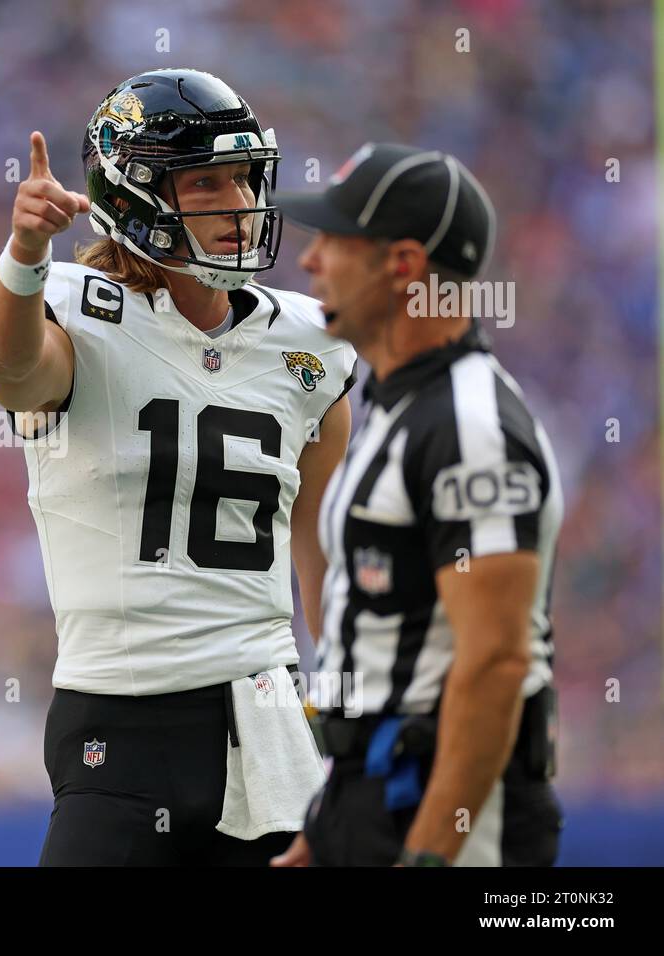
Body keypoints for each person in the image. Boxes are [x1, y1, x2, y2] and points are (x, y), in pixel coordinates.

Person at [0, 68, 357, 866]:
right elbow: (10, 366)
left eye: (244, 175)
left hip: (269, 722)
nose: (238, 200)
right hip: (119, 724)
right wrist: (22, 255)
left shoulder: (311, 346)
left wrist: (357, 704)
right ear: (136, 195)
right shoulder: (78, 311)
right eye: (206, 182)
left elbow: (320, 553)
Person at [269, 142, 563, 867]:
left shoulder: (469, 427)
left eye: (335, 241)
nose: (310, 262)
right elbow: (368, 641)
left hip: (444, 813)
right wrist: (328, 822)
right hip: (370, 796)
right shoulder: (397, 406)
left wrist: (431, 855)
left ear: (401, 264)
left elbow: (494, 662)